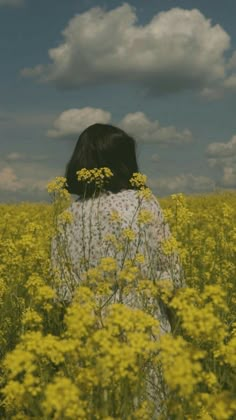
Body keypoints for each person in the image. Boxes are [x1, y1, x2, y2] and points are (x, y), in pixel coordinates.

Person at [51, 123, 185, 330]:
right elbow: (168, 274)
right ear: (124, 163)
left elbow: (62, 292)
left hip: (88, 335)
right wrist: (179, 326)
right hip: (142, 330)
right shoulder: (142, 202)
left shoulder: (65, 218)